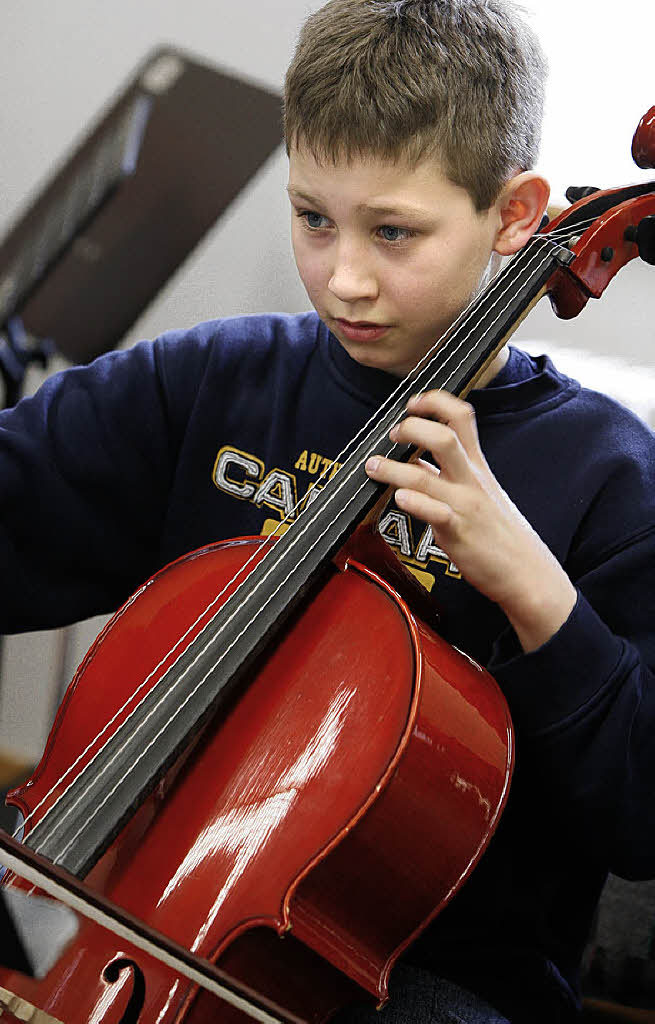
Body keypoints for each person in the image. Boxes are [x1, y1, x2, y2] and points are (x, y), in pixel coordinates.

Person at [1, 0, 654, 1021]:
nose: (343, 278)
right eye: (313, 218)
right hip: (114, 897)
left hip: (426, 983)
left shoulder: (606, 478)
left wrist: (538, 597)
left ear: (515, 215)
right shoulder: (211, 382)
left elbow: (642, 816)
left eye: (392, 231)